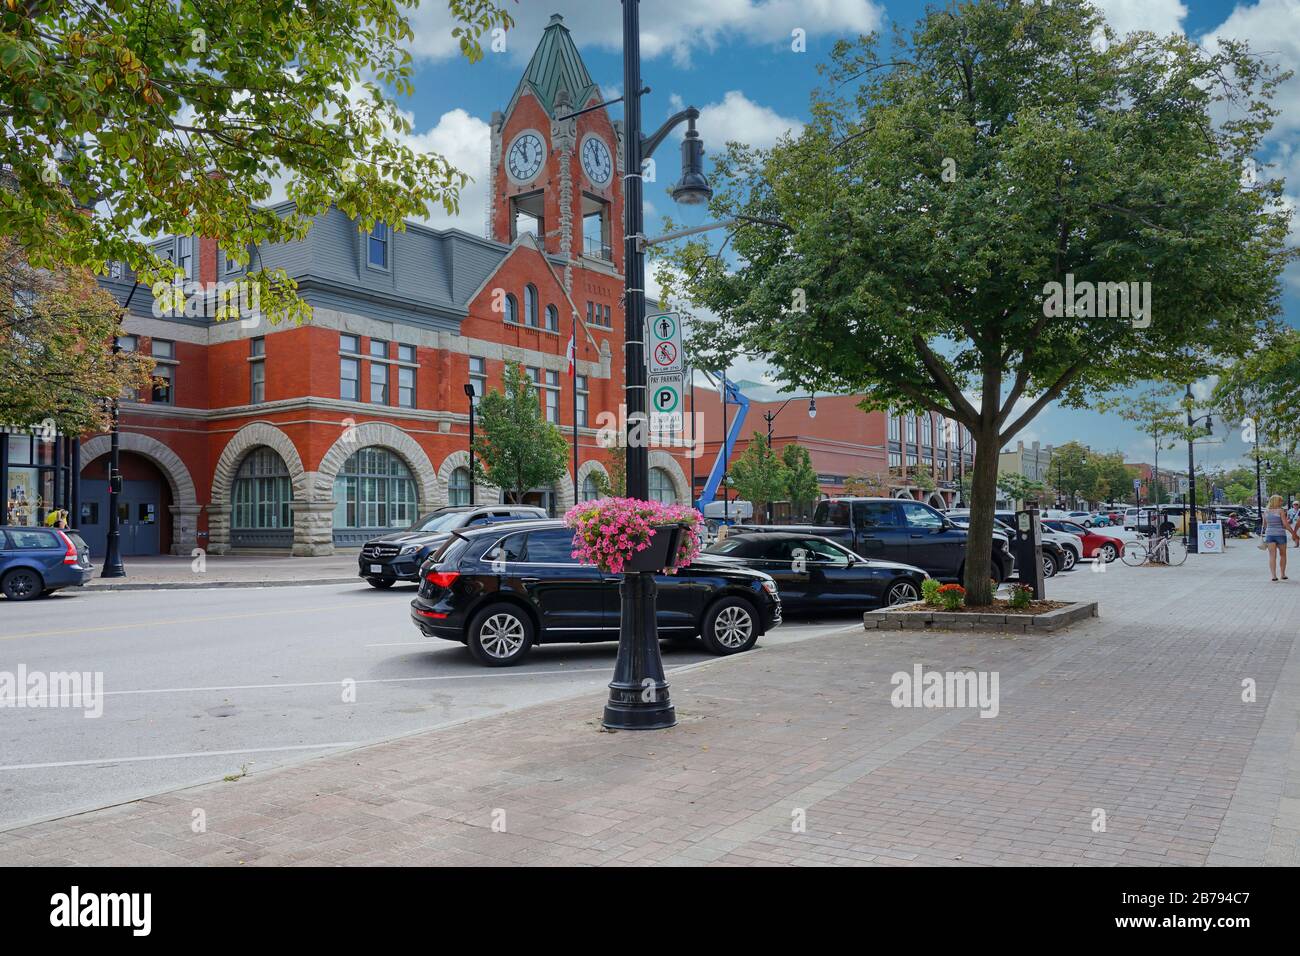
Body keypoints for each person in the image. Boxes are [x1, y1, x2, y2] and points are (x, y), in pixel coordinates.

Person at [1262, 495, 1298, 581]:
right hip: (1280, 534)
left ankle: (1274, 576)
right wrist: (1293, 534)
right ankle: (1282, 574)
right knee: (1283, 555)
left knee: (1272, 556)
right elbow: (1285, 524)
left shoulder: (1266, 511)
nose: (1282, 502)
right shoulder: (1281, 511)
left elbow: (1264, 525)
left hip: (1270, 535)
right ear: (1277, 501)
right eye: (1281, 501)